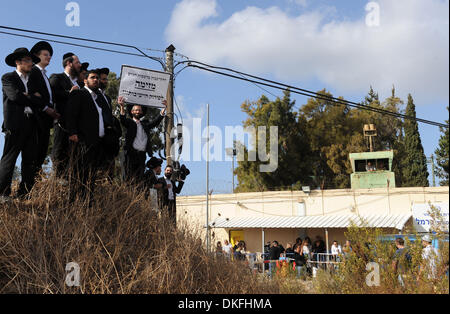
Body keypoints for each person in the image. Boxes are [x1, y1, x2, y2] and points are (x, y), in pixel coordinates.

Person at [0, 48, 42, 201]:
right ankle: (3, 193)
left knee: (30, 160)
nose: (31, 63)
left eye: (32, 60)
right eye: (28, 60)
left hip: (32, 123)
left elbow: (40, 101)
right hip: (15, 123)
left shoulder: (33, 80)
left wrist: (27, 96)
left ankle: (24, 194)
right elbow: (15, 96)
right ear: (18, 62)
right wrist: (31, 97)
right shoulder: (8, 78)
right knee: (9, 158)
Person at [65, 69, 106, 202]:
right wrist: (73, 133)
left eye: (97, 78)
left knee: (91, 176)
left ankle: (87, 202)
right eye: (93, 77)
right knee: (79, 174)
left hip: (96, 143)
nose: (96, 80)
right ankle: (73, 203)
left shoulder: (98, 99)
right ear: (85, 80)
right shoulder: (79, 94)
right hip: (82, 141)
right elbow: (70, 114)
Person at [28, 41, 60, 176]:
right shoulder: (33, 71)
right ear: (37, 56)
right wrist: (45, 107)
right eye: (45, 54)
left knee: (41, 153)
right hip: (37, 118)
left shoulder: (45, 75)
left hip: (46, 120)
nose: (49, 57)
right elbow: (32, 92)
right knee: (34, 153)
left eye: (50, 55)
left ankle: (34, 180)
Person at [118, 96, 166, 182]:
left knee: (139, 178)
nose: (138, 111)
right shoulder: (130, 122)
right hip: (130, 154)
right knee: (128, 178)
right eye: (136, 110)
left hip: (142, 155)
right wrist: (122, 106)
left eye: (139, 110)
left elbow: (155, 122)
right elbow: (122, 119)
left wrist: (163, 110)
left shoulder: (145, 124)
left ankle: (137, 194)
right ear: (132, 112)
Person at [49, 52, 82, 178]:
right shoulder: (57, 77)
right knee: (59, 154)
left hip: (76, 128)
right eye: (77, 62)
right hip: (62, 124)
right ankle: (57, 182)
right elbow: (52, 94)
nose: (79, 65)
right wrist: (70, 93)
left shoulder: (79, 84)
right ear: (69, 63)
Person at [95, 67, 121, 178]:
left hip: (109, 139)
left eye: (106, 79)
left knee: (109, 171)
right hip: (98, 137)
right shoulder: (94, 95)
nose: (105, 81)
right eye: (102, 79)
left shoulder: (107, 98)